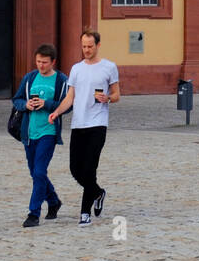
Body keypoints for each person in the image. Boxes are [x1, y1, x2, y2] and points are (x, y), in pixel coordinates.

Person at [47, 29, 120, 227]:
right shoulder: (76, 69)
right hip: (78, 124)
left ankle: (84, 213)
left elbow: (117, 94)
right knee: (75, 169)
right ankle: (98, 193)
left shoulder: (109, 67)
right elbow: (70, 97)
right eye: (84, 46)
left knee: (89, 169)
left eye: (90, 46)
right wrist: (57, 112)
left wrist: (108, 98)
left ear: (98, 45)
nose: (86, 50)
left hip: (98, 124)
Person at [12, 43, 69, 228]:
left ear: (53, 62)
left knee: (39, 171)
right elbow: (17, 99)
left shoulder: (61, 80)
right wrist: (25, 105)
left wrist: (46, 104)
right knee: (34, 173)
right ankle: (53, 201)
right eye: (38, 61)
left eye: (44, 62)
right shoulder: (29, 78)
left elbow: (67, 105)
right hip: (29, 132)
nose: (41, 65)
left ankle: (33, 214)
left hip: (49, 131)